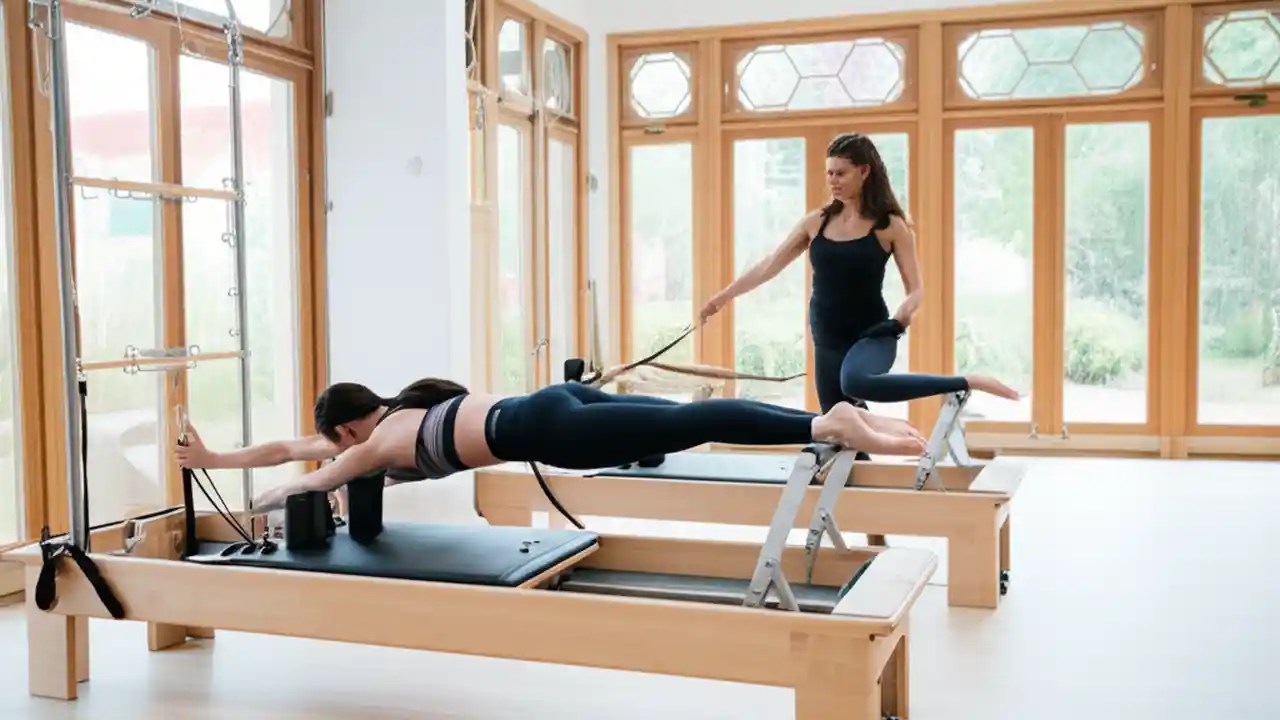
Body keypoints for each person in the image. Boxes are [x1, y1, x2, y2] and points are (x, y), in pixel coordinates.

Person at [175, 377, 929, 514]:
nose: (331, 454)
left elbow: (304, 475)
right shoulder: (401, 410)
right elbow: (288, 447)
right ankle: (825, 417)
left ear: (347, 431)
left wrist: (255, 504)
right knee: (676, 420)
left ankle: (824, 425)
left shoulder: (374, 447)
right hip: (548, 401)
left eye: (333, 445)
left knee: (690, 423)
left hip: (545, 431)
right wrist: (213, 461)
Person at [698, 132, 1020, 413]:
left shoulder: (890, 226)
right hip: (827, 338)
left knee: (855, 382)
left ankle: (964, 382)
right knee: (840, 425)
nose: (833, 180)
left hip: (873, 335)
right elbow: (769, 264)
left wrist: (905, 312)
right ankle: (875, 454)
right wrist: (722, 298)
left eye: (841, 173)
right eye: (829, 173)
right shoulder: (816, 222)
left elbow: (916, 289)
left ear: (864, 171)